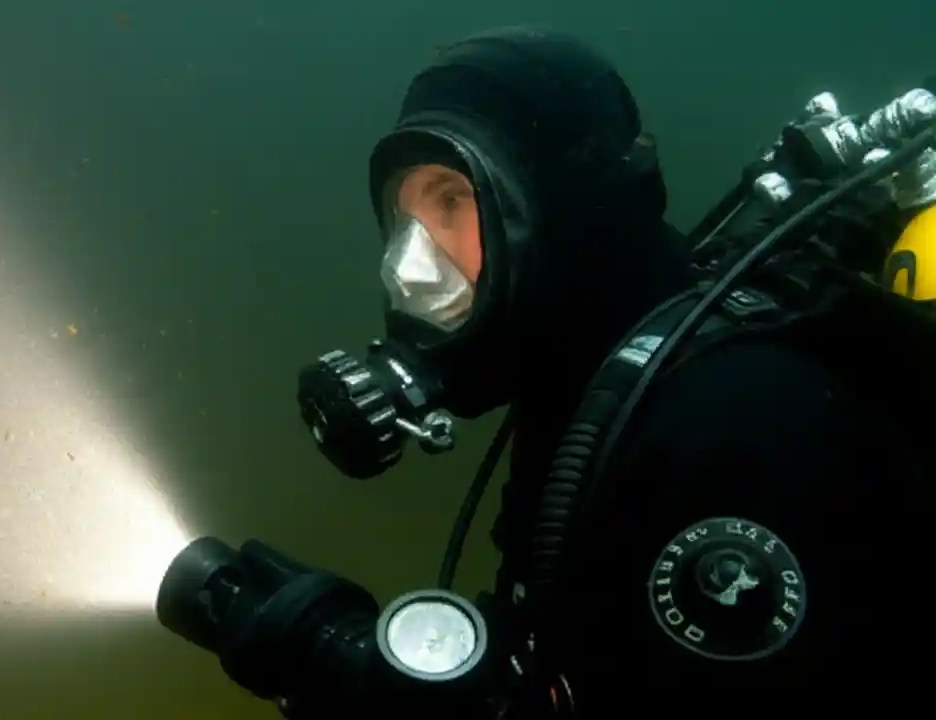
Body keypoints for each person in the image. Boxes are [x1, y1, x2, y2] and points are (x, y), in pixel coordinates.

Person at [348, 26, 929, 712]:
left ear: (563, 212)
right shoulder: (588, 394)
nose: (406, 268)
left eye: (450, 202)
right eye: (403, 215)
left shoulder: (739, 430)